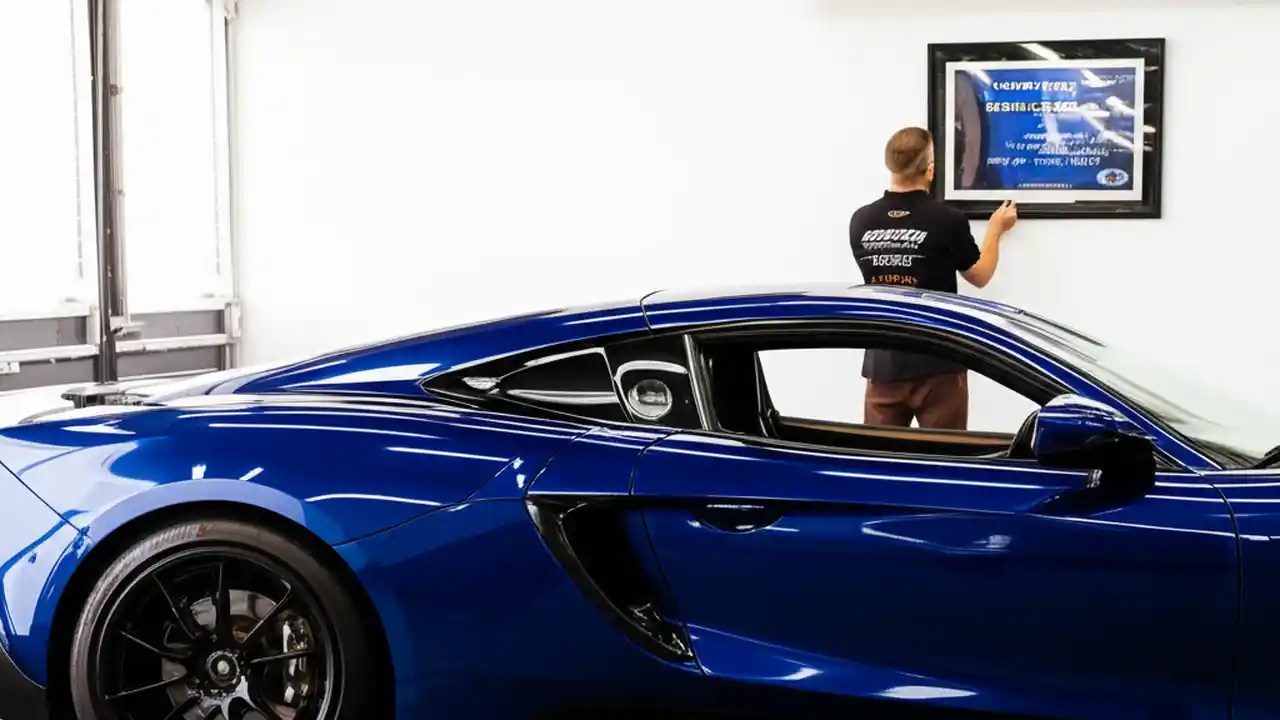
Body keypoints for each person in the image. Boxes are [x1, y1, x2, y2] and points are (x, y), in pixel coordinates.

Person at [849, 126, 1018, 430]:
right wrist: (995, 230)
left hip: (884, 361)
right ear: (930, 171)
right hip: (939, 359)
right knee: (945, 462)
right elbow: (979, 275)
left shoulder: (861, 220)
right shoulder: (946, 219)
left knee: (879, 463)